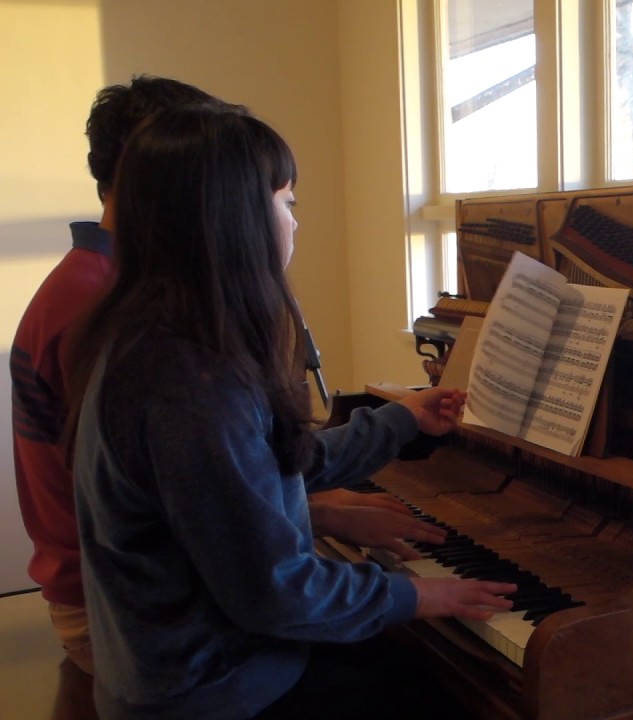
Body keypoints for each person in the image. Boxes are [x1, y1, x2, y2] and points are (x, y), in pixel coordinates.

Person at [62, 105, 516, 719]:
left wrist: (403, 420)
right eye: (287, 202)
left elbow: (263, 464)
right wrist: (418, 594)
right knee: (434, 691)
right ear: (232, 221)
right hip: (211, 692)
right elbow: (275, 592)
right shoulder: (188, 383)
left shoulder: (151, 338)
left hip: (184, 671)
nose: (295, 225)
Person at [10, 76, 439, 687]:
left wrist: (385, 436)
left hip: (153, 605)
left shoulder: (131, 300)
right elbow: (212, 517)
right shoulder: (133, 328)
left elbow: (201, 480)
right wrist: (322, 523)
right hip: (135, 626)